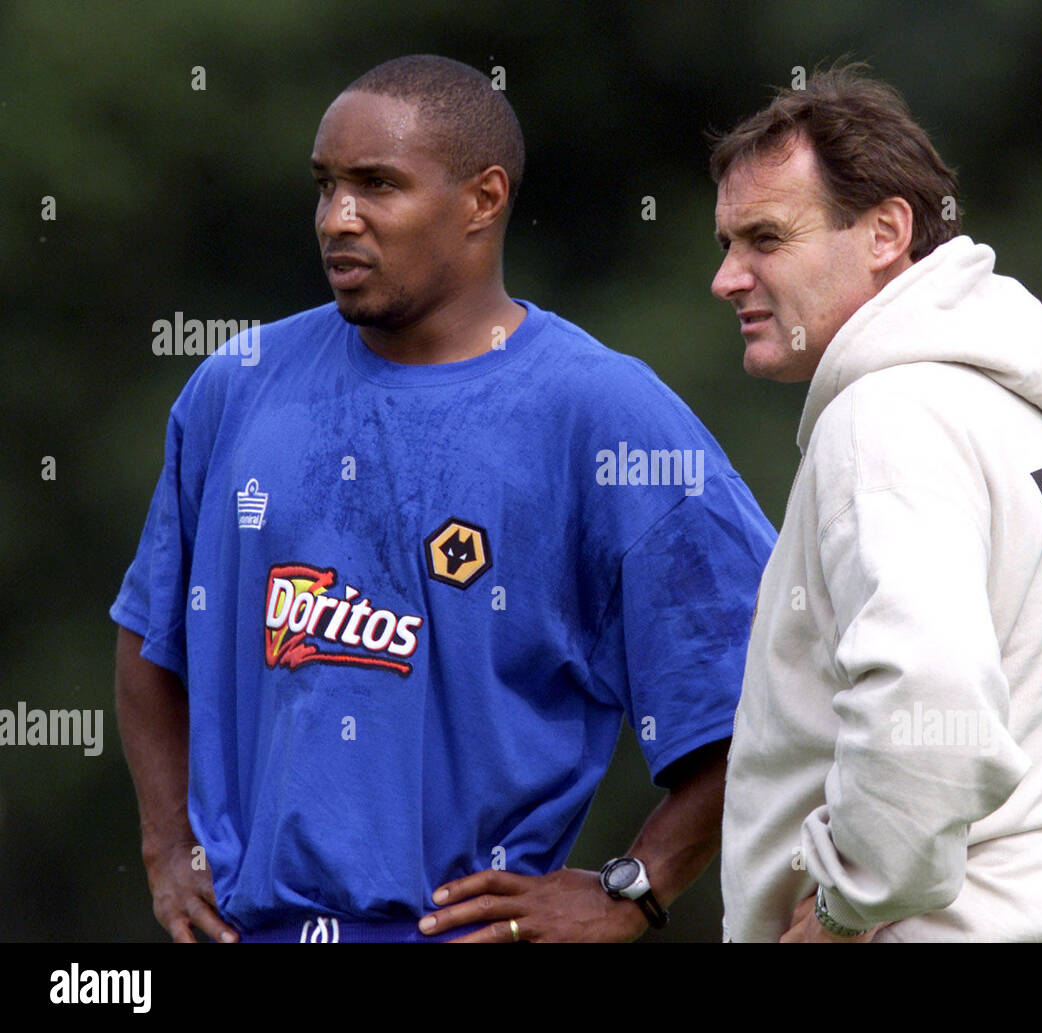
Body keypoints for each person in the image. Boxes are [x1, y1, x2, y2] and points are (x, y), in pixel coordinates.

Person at [112, 54, 775, 944]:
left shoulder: (603, 413)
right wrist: (166, 849)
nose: (338, 218)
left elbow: (773, 686)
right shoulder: (237, 385)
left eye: (377, 185)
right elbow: (151, 637)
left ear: (483, 199)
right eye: (326, 186)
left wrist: (634, 888)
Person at [710, 65, 1042, 942]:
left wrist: (842, 902)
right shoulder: (1040, 406)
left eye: (765, 238)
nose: (727, 278)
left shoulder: (889, 417)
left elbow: (933, 712)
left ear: (886, 230)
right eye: (726, 244)